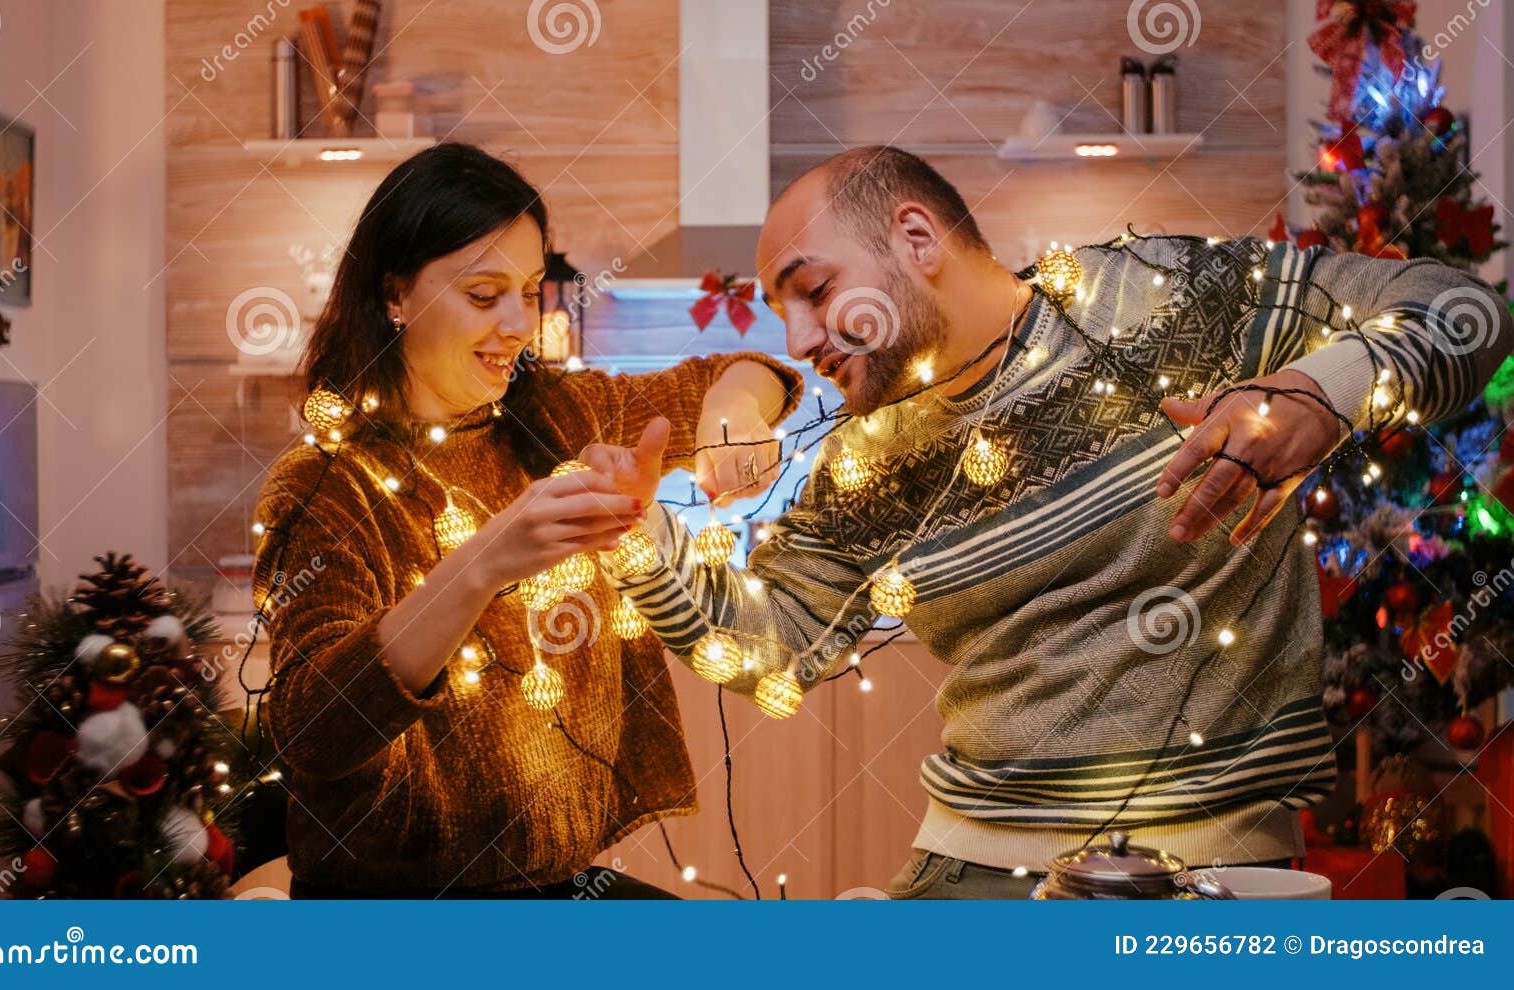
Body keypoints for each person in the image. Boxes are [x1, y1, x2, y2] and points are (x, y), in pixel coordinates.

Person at [585, 145, 1513, 898]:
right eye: (780, 310)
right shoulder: (862, 465)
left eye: (814, 289)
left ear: (915, 236)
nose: (797, 337)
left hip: (1216, 876)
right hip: (967, 876)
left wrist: (1321, 393)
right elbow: (774, 651)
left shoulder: (1170, 298)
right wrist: (636, 538)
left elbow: (1470, 308)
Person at [249, 143, 799, 898]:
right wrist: (483, 564)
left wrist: (736, 414)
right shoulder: (326, 486)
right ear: (393, 295)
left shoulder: (556, 417)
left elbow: (742, 372)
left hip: (556, 888)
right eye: (484, 295)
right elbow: (314, 730)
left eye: (530, 290)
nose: (519, 323)